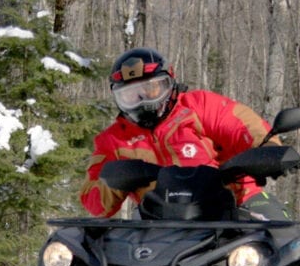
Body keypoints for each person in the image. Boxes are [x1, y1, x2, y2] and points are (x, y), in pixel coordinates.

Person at [80, 47, 289, 221]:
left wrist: (267, 150)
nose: (142, 100)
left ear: (169, 84)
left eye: (150, 89)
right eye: (129, 95)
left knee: (280, 236)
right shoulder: (113, 140)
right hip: (157, 216)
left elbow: (242, 125)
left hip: (235, 201)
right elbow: (95, 204)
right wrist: (117, 181)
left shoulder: (199, 106)